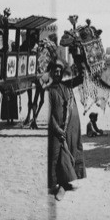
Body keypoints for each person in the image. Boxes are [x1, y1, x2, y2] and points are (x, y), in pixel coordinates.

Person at [47, 58, 86, 201]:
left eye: (59, 71)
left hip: (68, 129)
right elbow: (49, 114)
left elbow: (81, 78)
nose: (57, 73)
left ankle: (65, 184)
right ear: (51, 72)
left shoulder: (66, 84)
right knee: (56, 157)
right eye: (55, 71)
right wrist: (57, 129)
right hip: (56, 130)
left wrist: (79, 57)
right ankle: (58, 187)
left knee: (69, 154)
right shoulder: (49, 90)